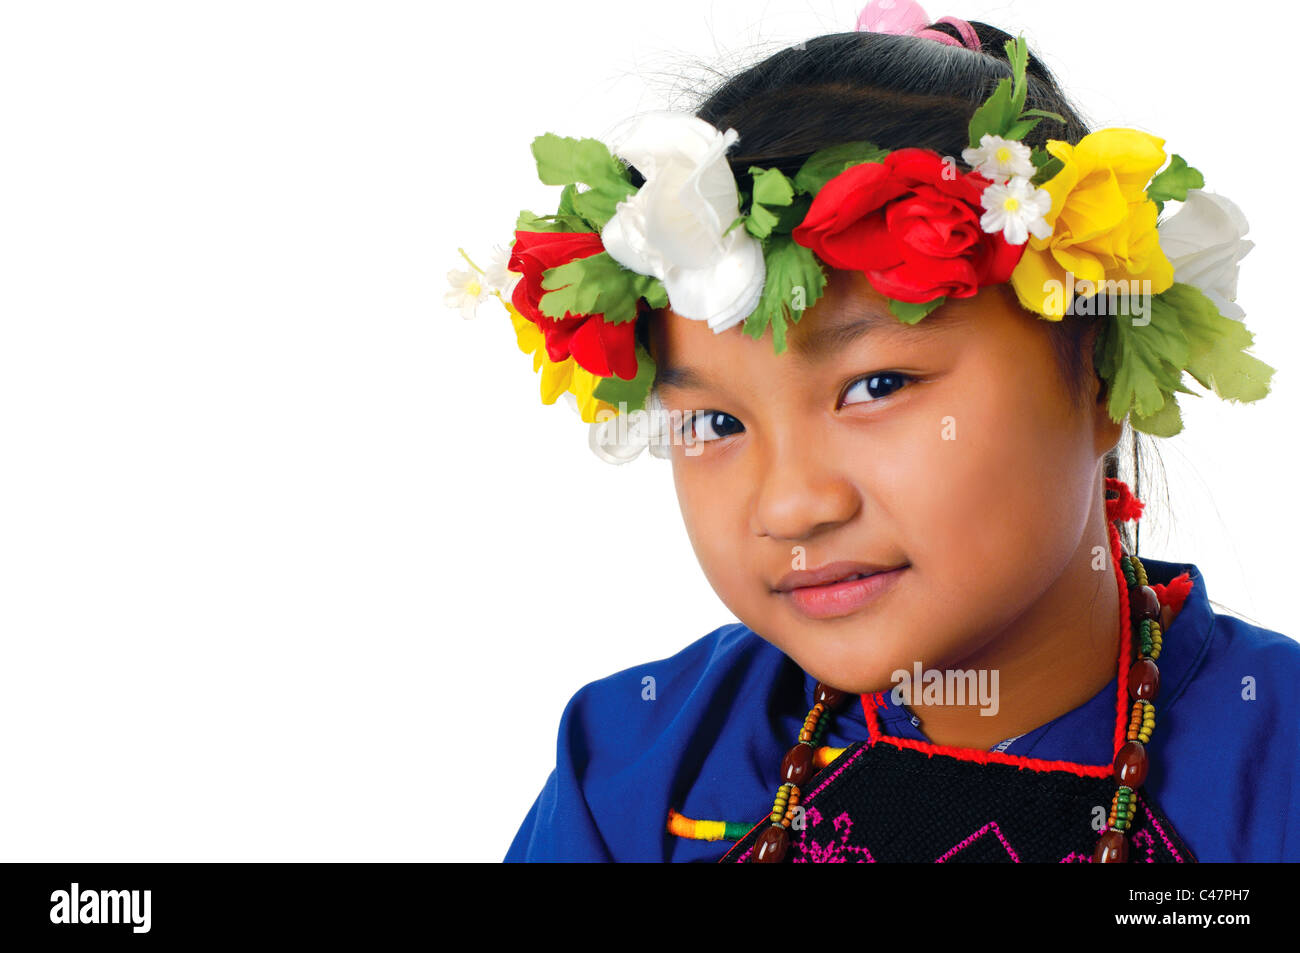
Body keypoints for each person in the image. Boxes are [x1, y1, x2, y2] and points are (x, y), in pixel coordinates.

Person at [450, 1, 1298, 862]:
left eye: (877, 384)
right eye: (714, 420)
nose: (791, 506)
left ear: (1102, 373)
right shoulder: (632, 772)